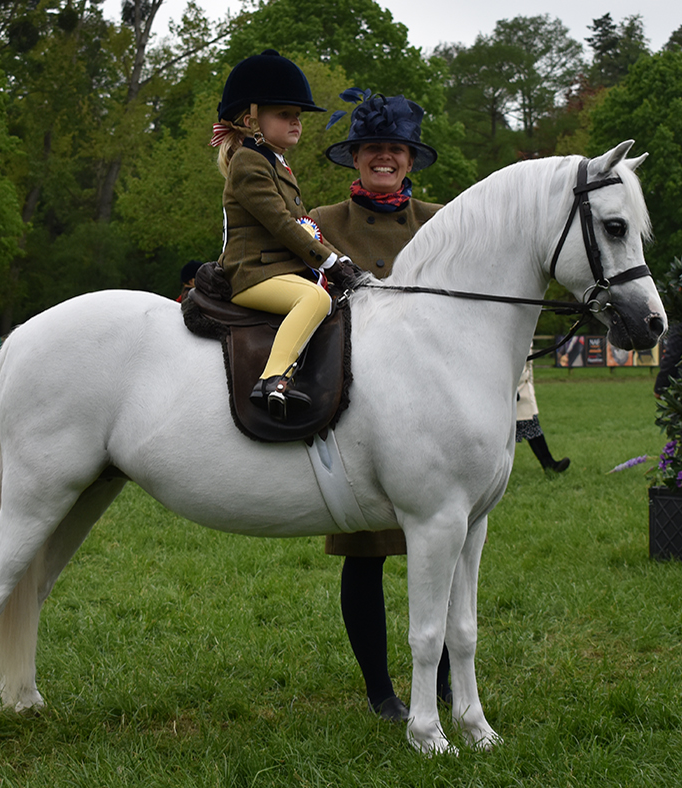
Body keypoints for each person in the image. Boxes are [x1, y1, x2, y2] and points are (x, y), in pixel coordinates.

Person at [308, 89, 451, 722]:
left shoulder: (443, 221)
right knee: (363, 559)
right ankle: (379, 691)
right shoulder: (321, 222)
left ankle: (443, 681)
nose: (383, 158)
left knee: (438, 555)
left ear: (410, 159)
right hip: (358, 418)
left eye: (395, 149)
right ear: (356, 158)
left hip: (435, 418)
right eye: (372, 149)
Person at [212, 49, 358, 421]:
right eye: (284, 114)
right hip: (252, 273)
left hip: (276, 270)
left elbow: (304, 223)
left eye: (298, 116)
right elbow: (281, 224)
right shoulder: (249, 162)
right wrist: (329, 263)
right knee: (314, 298)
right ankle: (272, 379)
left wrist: (344, 261)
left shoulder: (277, 163)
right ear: (252, 120)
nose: (296, 122)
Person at [516, 362, 570, 473]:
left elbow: (528, 368)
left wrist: (531, 391)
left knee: (532, 429)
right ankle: (549, 464)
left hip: (523, 393)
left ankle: (549, 464)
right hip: (514, 393)